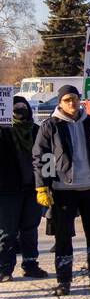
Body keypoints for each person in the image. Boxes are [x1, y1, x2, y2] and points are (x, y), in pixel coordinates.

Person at [31, 85, 90, 295]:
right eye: (67, 100)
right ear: (60, 102)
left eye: (74, 99)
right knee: (63, 238)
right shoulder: (50, 126)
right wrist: (42, 185)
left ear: (80, 100)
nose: (71, 103)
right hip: (63, 189)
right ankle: (64, 281)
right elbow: (42, 157)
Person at [0, 96, 46, 282]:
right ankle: (4, 269)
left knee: (30, 228)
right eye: (16, 107)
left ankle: (30, 264)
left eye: (23, 107)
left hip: (32, 188)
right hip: (7, 190)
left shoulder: (36, 131)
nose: (20, 111)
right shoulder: (3, 132)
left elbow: (46, 156)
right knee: (7, 231)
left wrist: (46, 183)